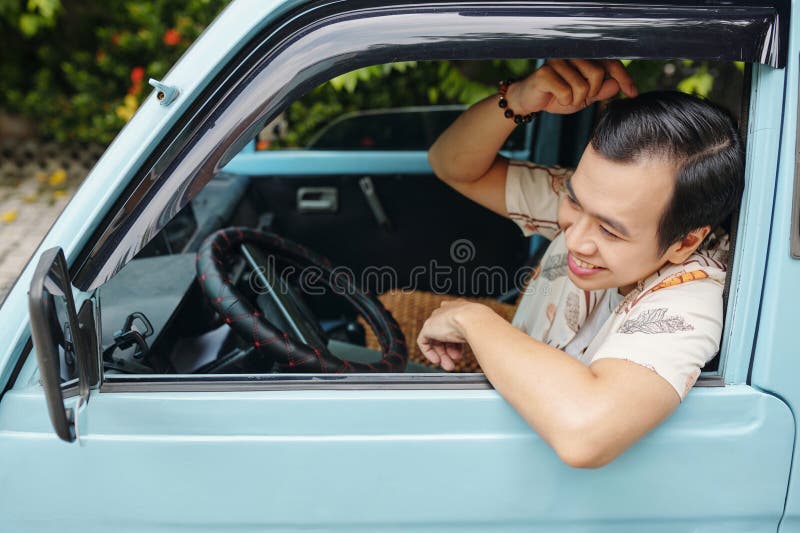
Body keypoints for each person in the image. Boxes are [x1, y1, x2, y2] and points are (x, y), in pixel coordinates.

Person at [418, 59, 744, 468]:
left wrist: (474, 319)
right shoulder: (604, 201)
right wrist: (517, 99)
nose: (575, 238)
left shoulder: (692, 297)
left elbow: (585, 435)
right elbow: (451, 164)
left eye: (610, 232)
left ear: (685, 241)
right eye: (572, 200)